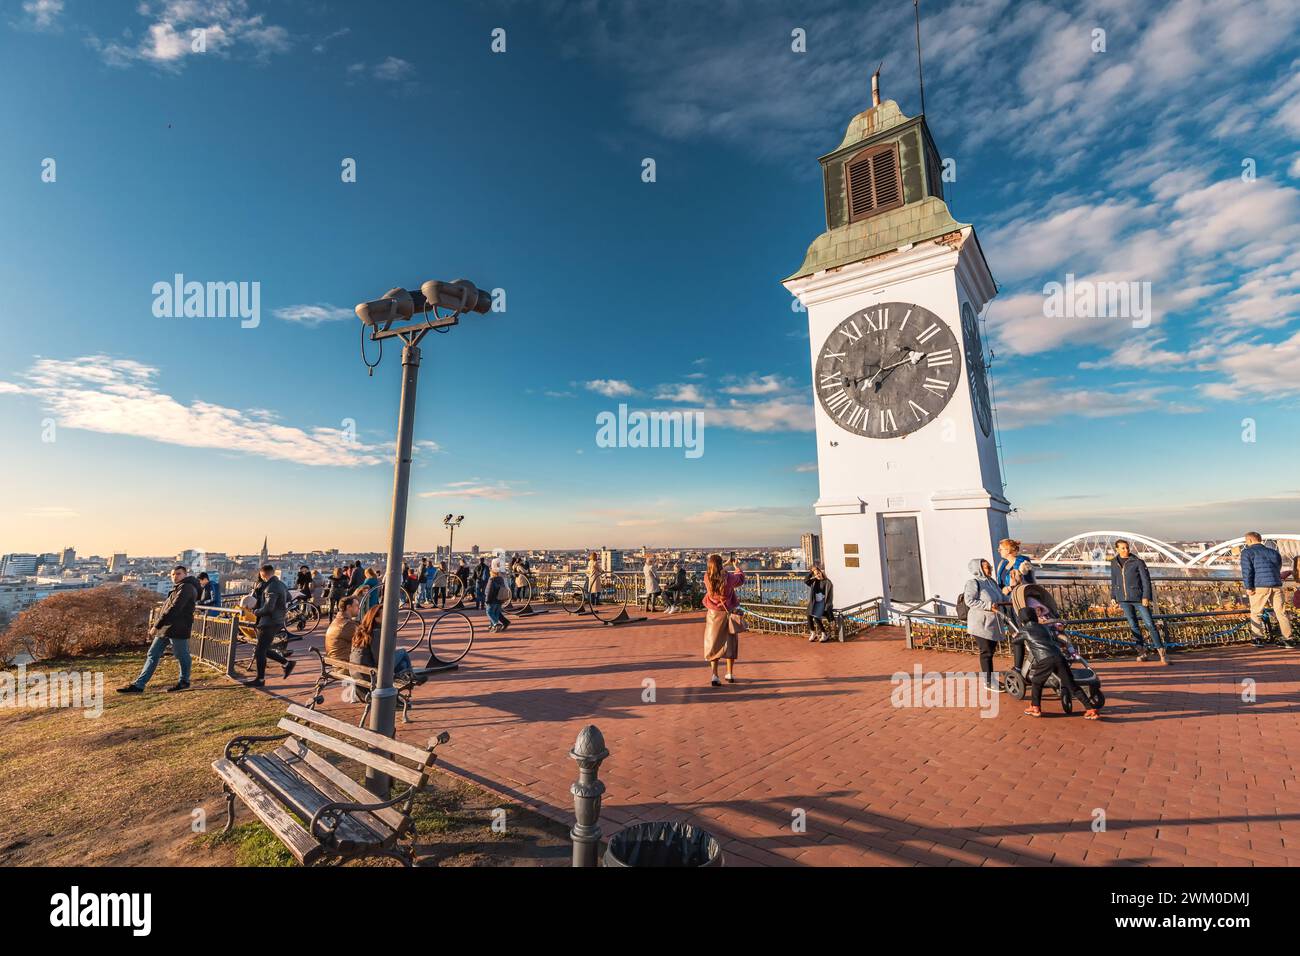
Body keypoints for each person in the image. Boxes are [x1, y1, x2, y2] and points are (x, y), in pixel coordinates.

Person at [117, 565, 198, 694]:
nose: (175, 576)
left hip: (177, 628)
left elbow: (174, 609)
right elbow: (169, 608)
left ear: (185, 574)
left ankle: (184, 681)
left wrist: (157, 625)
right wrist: (160, 625)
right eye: (173, 574)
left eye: (178, 574)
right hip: (167, 628)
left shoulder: (186, 588)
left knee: (182, 655)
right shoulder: (179, 588)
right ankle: (139, 685)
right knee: (153, 654)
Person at [1016, 606, 1100, 719]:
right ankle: (1090, 708)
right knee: (1071, 684)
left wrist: (1015, 635)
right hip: (1058, 656)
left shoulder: (1024, 630)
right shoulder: (1044, 628)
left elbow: (1015, 641)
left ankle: (1035, 707)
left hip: (1045, 659)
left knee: (1036, 681)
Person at [1110, 539, 1168, 664]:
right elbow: (1114, 580)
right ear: (1117, 549)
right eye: (1123, 548)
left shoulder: (1137, 562)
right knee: (1133, 626)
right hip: (1123, 599)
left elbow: (1146, 581)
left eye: (1127, 547)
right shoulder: (1114, 562)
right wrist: (1113, 596)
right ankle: (1142, 652)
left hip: (1139, 598)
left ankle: (1162, 653)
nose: (1126, 550)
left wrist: (1146, 596)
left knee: (1150, 624)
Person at [1242, 532, 1296, 646]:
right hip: (1276, 584)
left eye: (1246, 541)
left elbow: (1247, 571)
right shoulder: (1273, 552)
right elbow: (1278, 567)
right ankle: (1288, 639)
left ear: (1250, 540)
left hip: (1259, 585)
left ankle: (1258, 638)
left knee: (1256, 613)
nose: (1246, 543)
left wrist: (1249, 587)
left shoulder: (1247, 552)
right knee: (1281, 613)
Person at [247, 563, 295, 687]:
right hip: (277, 621)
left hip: (269, 622)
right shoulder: (281, 584)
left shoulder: (271, 587)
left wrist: (255, 611)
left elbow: (268, 608)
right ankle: (287, 664)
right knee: (263, 649)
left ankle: (260, 679)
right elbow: (289, 598)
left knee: (260, 651)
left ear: (263, 575)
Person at [963, 557, 1006, 693]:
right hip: (980, 623)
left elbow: (1001, 597)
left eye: (990, 567)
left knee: (990, 652)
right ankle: (988, 681)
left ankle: (991, 679)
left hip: (993, 623)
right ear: (979, 568)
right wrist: (988, 605)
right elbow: (969, 600)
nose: (990, 569)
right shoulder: (973, 583)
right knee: (986, 652)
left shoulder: (992, 582)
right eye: (987, 567)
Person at [702, 553, 744, 686]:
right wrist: (736, 567)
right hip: (728, 613)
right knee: (730, 642)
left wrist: (724, 564)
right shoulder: (728, 577)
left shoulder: (707, 577)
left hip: (714, 614)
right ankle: (730, 673)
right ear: (720, 565)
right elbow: (740, 579)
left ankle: (715, 675)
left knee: (714, 643)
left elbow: (714, 571)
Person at [350, 605, 413, 675]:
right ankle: (412, 676)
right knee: (403, 652)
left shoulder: (361, 632)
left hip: (356, 672)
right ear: (376, 618)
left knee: (403, 664)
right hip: (369, 675)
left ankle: (409, 676)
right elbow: (380, 660)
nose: (388, 617)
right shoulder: (376, 633)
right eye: (384, 615)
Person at [324, 595, 359, 661]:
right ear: (349, 607)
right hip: (344, 664)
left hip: (337, 660)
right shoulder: (346, 625)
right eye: (356, 605)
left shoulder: (338, 620)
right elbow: (365, 640)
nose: (359, 608)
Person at [805, 565, 835, 642]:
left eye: (818, 573)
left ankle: (824, 634)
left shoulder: (828, 582)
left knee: (816, 616)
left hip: (822, 603)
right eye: (815, 574)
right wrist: (811, 572)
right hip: (814, 602)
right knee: (808, 615)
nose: (817, 575)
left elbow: (830, 596)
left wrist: (828, 606)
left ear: (821, 572)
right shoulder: (814, 581)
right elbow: (806, 581)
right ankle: (813, 633)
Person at [485, 560, 512, 632]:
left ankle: (496, 624)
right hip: (499, 600)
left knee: (489, 612)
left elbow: (489, 591)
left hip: (492, 600)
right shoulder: (501, 579)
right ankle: (494, 626)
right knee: (496, 614)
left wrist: (487, 600)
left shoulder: (491, 580)